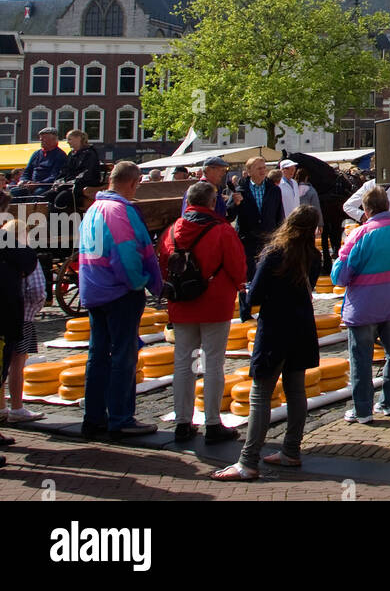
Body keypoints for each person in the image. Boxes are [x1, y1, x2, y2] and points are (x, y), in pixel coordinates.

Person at [213, 206, 322, 480]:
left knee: (260, 393)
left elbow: (257, 294)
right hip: (302, 326)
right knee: (296, 391)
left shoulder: (275, 253)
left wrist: (245, 298)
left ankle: (248, 461)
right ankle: (291, 450)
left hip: (275, 327)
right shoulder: (314, 255)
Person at [79, 161, 163, 438]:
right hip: (119, 293)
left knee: (98, 355)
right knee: (123, 357)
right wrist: (141, 282)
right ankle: (120, 417)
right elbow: (126, 255)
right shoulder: (119, 211)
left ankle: (94, 416)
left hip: (95, 291)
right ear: (133, 182)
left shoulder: (94, 209)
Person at [158, 180, 245, 446]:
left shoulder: (171, 231)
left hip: (182, 305)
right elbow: (238, 267)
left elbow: (162, 265)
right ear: (210, 202)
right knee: (212, 363)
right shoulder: (221, 230)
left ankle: (183, 422)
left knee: (184, 363)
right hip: (214, 303)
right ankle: (212, 422)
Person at [332, 186, 390, 423]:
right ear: (388, 206)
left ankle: (362, 410)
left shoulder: (359, 234)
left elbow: (340, 276)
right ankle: (389, 402)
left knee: (361, 357)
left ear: (366, 210)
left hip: (364, 305)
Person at [0, 207, 43, 429]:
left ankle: (4, 409)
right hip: (17, 317)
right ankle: (15, 407)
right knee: (14, 362)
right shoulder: (21, 253)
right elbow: (37, 290)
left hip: (13, 315)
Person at [235, 156, 285, 279]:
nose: (263, 171)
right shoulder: (240, 190)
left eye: (264, 168)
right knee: (248, 275)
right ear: (249, 171)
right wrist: (234, 203)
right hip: (248, 240)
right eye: (259, 168)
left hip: (268, 239)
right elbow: (230, 214)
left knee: (268, 275)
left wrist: (279, 237)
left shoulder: (274, 190)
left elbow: (279, 215)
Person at [13, 128, 66, 197]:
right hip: (31, 184)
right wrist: (23, 180)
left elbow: (55, 175)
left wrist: (37, 184)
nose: (41, 141)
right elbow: (27, 171)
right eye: (41, 139)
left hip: (47, 186)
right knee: (13, 192)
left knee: (37, 194)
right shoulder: (36, 153)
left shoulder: (60, 155)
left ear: (54, 140)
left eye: (45, 139)